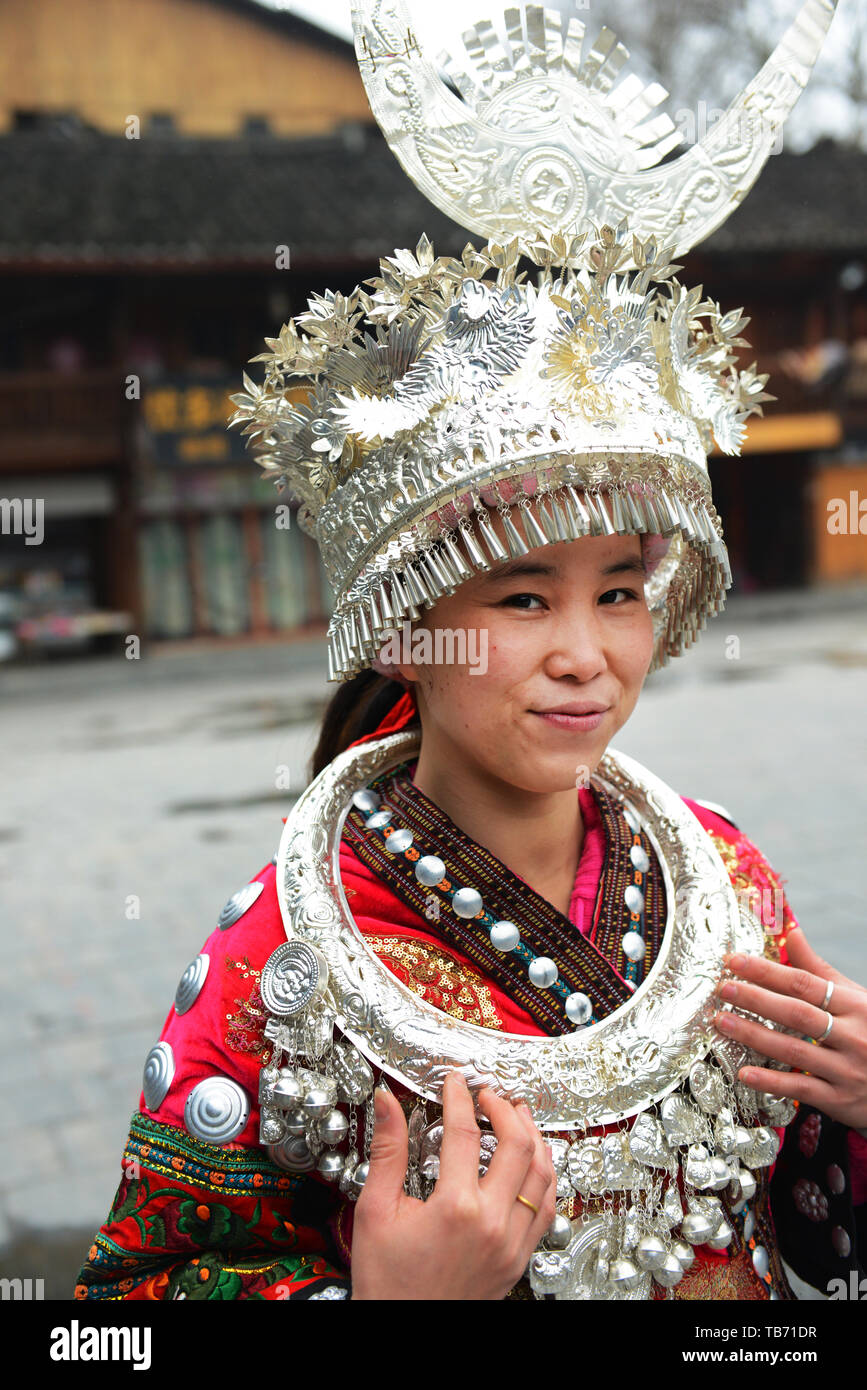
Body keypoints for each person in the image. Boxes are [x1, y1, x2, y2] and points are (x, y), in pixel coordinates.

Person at [76, 0, 865, 1301]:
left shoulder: (728, 881)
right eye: (518, 600)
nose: (588, 656)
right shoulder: (278, 966)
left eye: (620, 590)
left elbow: (793, 1221)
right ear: (406, 618)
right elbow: (109, 1325)